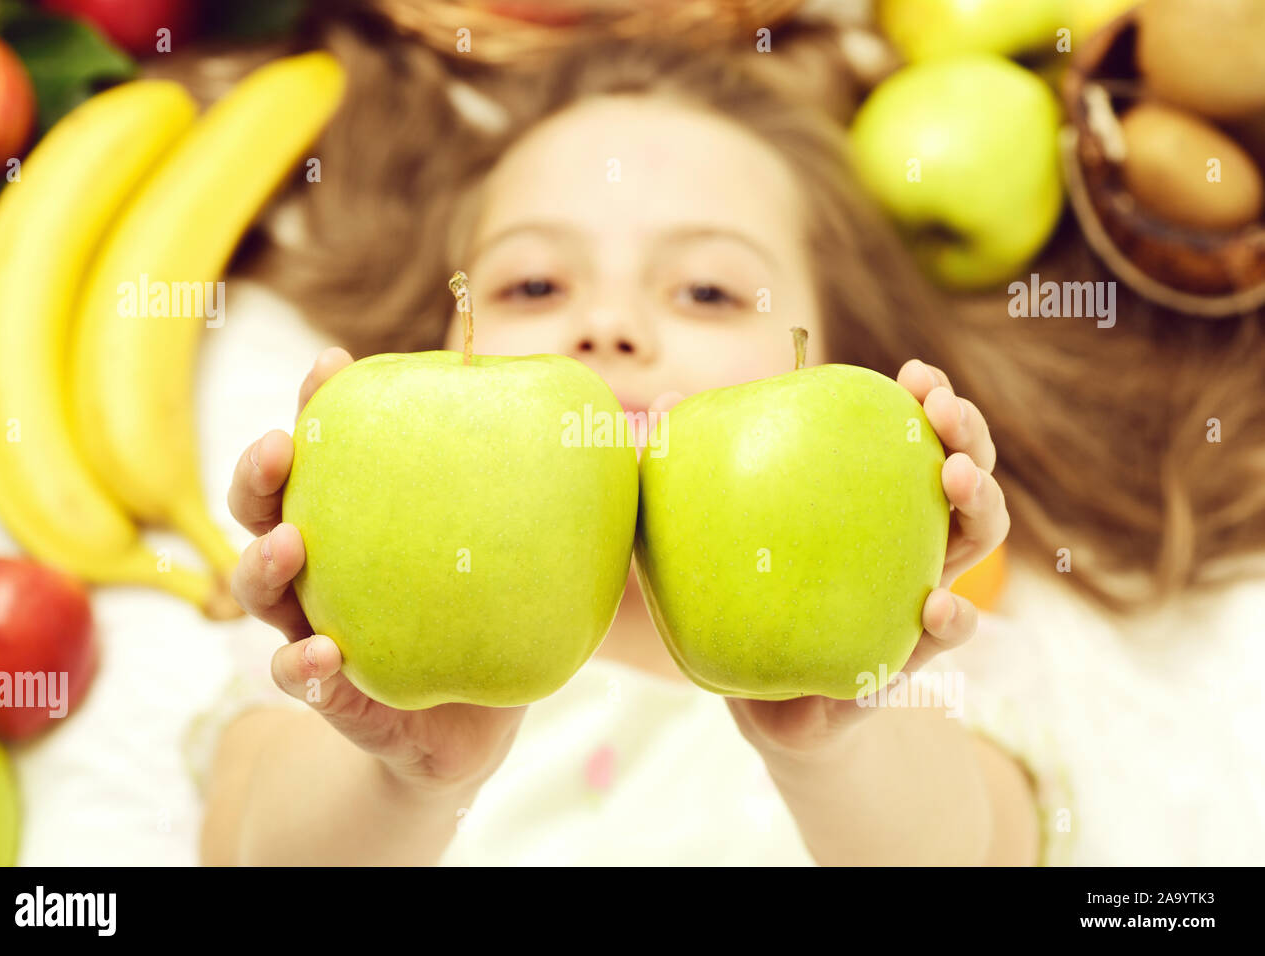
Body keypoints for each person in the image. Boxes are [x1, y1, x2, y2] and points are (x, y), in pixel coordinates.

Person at [194, 20, 1265, 866]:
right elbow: (242, 849)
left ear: (829, 364)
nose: (607, 325)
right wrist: (406, 778)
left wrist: (831, 743)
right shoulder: (358, 656)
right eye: (532, 283)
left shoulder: (894, 656)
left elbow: (983, 849)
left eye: (706, 289)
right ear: (444, 340)